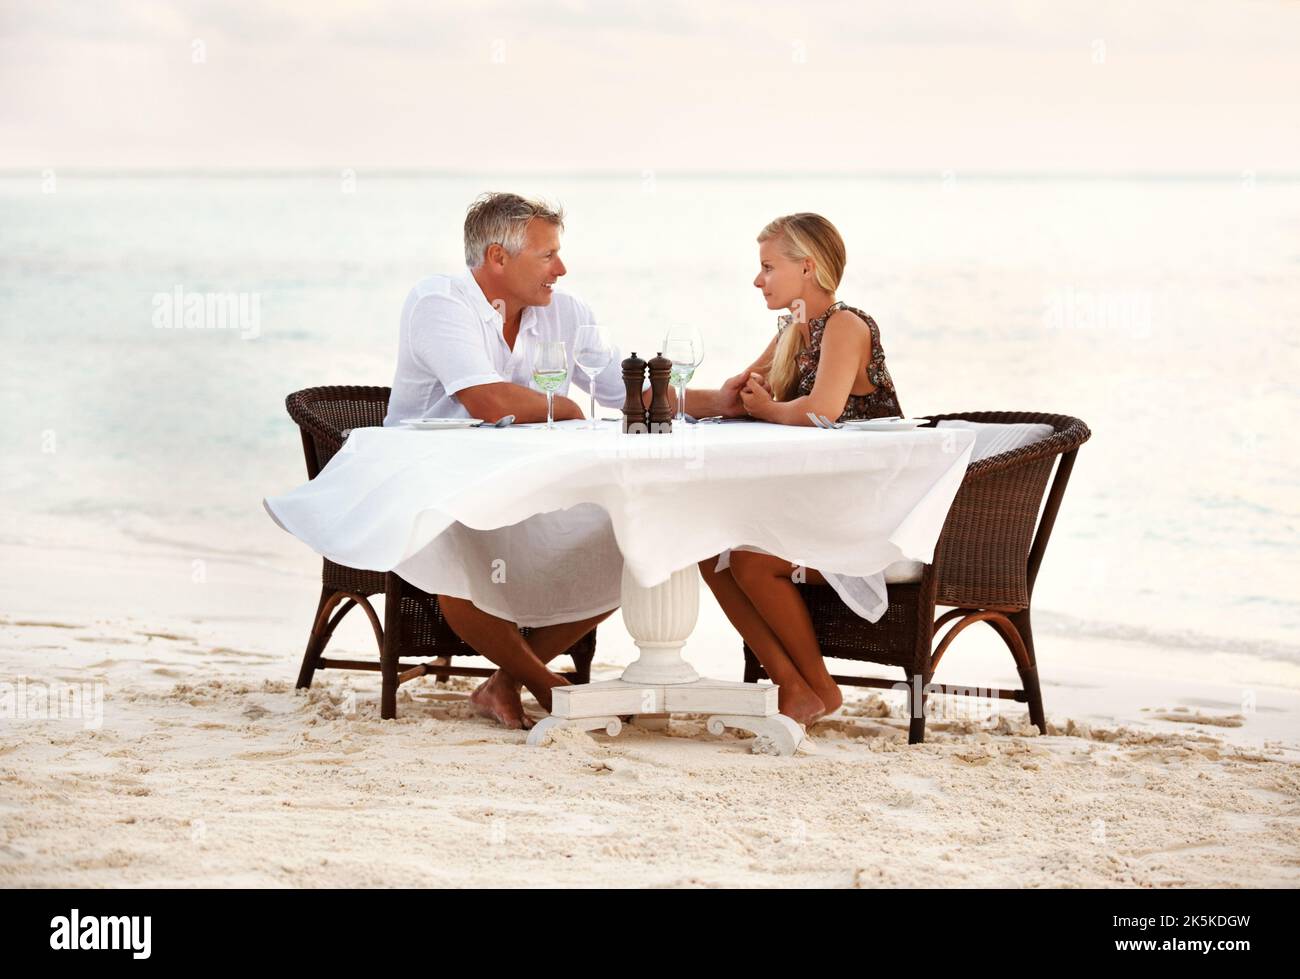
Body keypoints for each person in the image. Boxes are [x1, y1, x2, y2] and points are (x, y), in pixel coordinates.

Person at [383, 191, 628, 729]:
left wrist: (720, 399)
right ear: (498, 257)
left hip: (527, 481)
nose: (560, 269)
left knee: (633, 541)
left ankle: (505, 683)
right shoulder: (439, 302)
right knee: (463, 546)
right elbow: (487, 400)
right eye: (547, 256)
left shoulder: (566, 312)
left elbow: (624, 391)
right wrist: (561, 405)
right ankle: (549, 686)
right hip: (431, 476)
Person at [696, 212, 905, 727]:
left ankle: (820, 689)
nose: (757, 279)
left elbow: (822, 410)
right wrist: (671, 396)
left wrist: (768, 409)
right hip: (818, 505)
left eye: (768, 267)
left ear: (808, 268)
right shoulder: (792, 329)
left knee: (747, 562)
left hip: (870, 514)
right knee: (710, 553)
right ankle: (796, 689)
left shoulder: (846, 325)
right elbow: (737, 392)